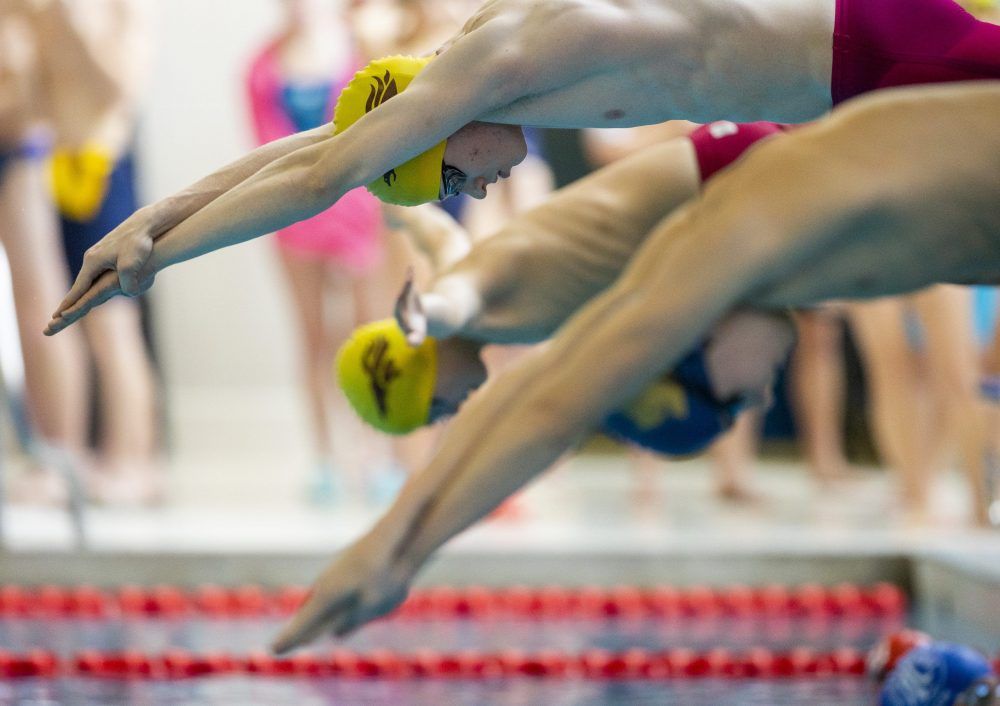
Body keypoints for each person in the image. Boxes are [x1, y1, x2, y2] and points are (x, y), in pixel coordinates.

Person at [267, 82, 1000, 650]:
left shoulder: (750, 232)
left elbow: (549, 404)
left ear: (693, 342)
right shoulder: (789, 258)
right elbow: (537, 383)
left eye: (733, 398)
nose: (758, 397)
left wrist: (395, 546)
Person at [45, 0, 1000, 334]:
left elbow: (321, 180)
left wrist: (158, 255)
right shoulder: (477, 69)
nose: (480, 188)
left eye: (453, 179)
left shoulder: (503, 59)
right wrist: (155, 216)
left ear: (437, 129)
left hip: (881, 53)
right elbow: (325, 148)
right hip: (862, 72)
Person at [247, 0, 389, 505]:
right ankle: (325, 456)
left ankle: (373, 451)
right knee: (312, 337)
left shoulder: (362, 49)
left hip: (358, 216)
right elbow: (265, 150)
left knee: (367, 332)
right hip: (294, 221)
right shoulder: (262, 64)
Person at [33, 0, 160, 505]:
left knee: (114, 322)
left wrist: (79, 29)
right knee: (62, 318)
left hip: (104, 163)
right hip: (51, 163)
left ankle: (135, 458)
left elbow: (124, 86)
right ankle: (73, 457)